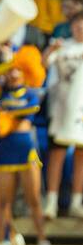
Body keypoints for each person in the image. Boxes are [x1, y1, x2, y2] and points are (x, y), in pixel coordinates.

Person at [0, 47, 51, 245]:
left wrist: (6, 115)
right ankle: (1, 240)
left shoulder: (32, 93)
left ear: (27, 71)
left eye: (18, 70)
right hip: (3, 149)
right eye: (10, 70)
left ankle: (42, 240)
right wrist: (10, 60)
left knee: (33, 199)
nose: (13, 73)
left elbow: (30, 111)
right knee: (2, 199)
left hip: (25, 149)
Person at [42, 17, 83, 220]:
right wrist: (50, 50)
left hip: (81, 110)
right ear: (71, 27)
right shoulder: (63, 45)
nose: (80, 28)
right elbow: (43, 64)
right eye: (77, 25)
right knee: (56, 155)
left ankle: (76, 203)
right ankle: (51, 202)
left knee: (81, 156)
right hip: (60, 108)